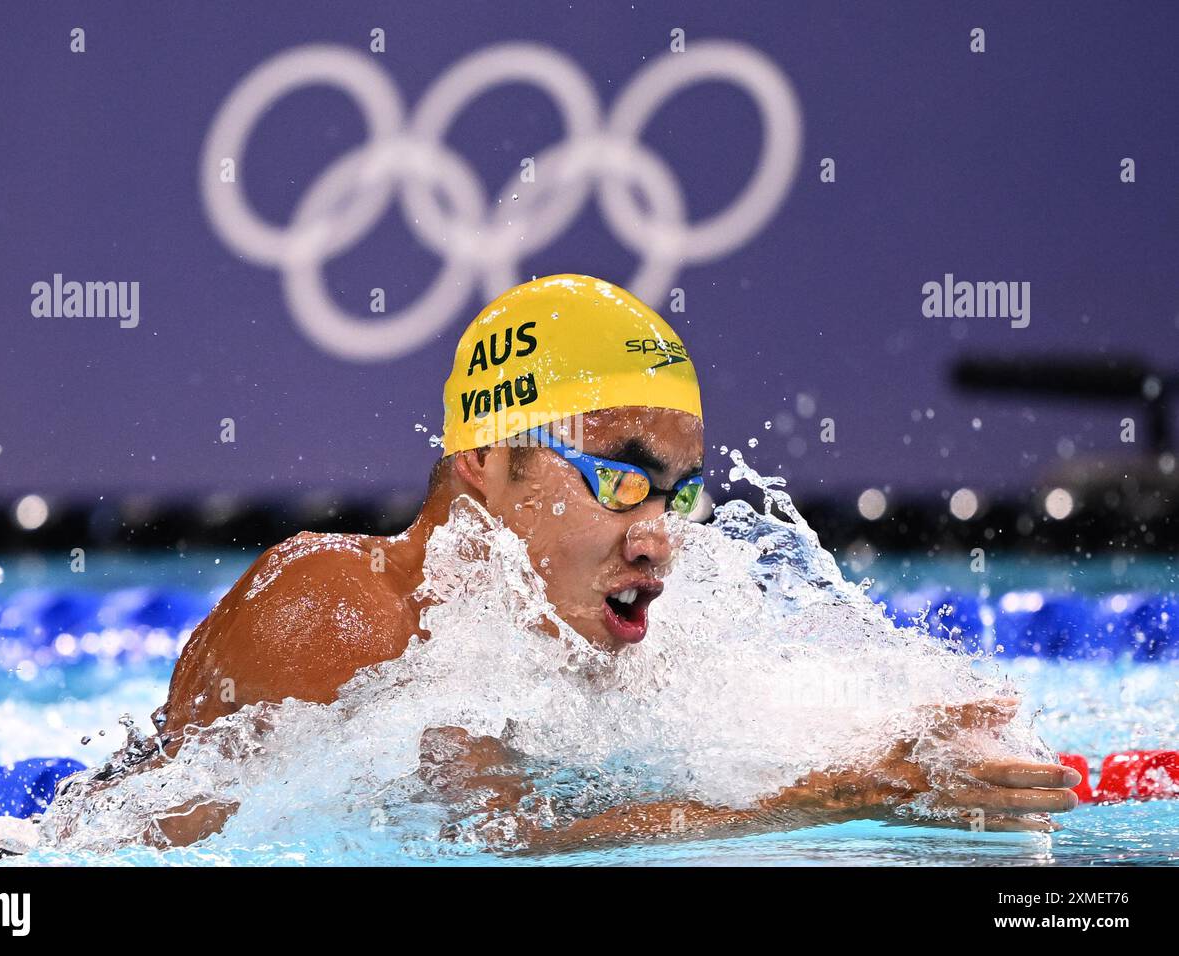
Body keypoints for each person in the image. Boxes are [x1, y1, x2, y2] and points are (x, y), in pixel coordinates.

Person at [148, 274, 1079, 848]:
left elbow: (743, 748)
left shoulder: (585, 642)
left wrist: (910, 748)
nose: (657, 536)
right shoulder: (335, 608)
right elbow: (487, 843)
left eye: (675, 490)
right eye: (621, 477)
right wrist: (851, 794)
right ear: (485, 459)